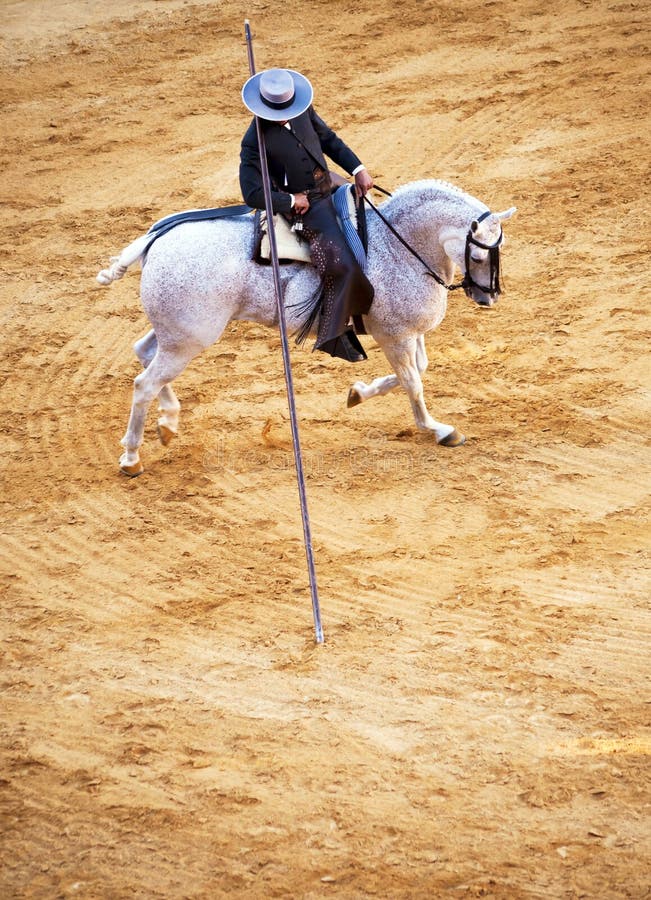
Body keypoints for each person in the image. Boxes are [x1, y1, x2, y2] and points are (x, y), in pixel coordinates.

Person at [240, 68, 374, 362]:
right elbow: (251, 193)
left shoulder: (302, 111)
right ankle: (331, 334)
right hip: (305, 207)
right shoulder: (254, 140)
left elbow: (328, 139)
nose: (285, 116)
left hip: (329, 184)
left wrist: (357, 168)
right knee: (343, 265)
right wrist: (289, 199)